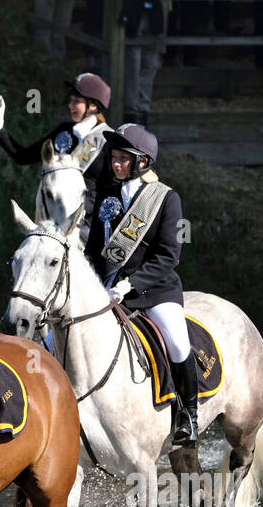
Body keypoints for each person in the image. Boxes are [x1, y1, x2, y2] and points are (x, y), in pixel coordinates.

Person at [84, 124, 200, 446]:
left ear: (143, 162)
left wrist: (129, 284)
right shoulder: (107, 195)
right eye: (115, 157)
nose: (115, 163)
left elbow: (168, 256)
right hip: (108, 288)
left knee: (177, 342)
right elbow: (93, 250)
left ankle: (188, 415)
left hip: (155, 290)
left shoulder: (166, 199)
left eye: (123, 158)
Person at [0, 72, 113, 232]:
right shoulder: (64, 131)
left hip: (88, 225)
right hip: (53, 221)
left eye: (76, 102)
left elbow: (110, 189)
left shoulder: (107, 140)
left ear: (93, 106)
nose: (70, 105)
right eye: (70, 101)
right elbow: (23, 157)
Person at [119, 0, 174, 125]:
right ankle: (131, 108)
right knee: (133, 60)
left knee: (151, 61)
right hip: (134, 13)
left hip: (155, 15)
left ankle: (144, 107)